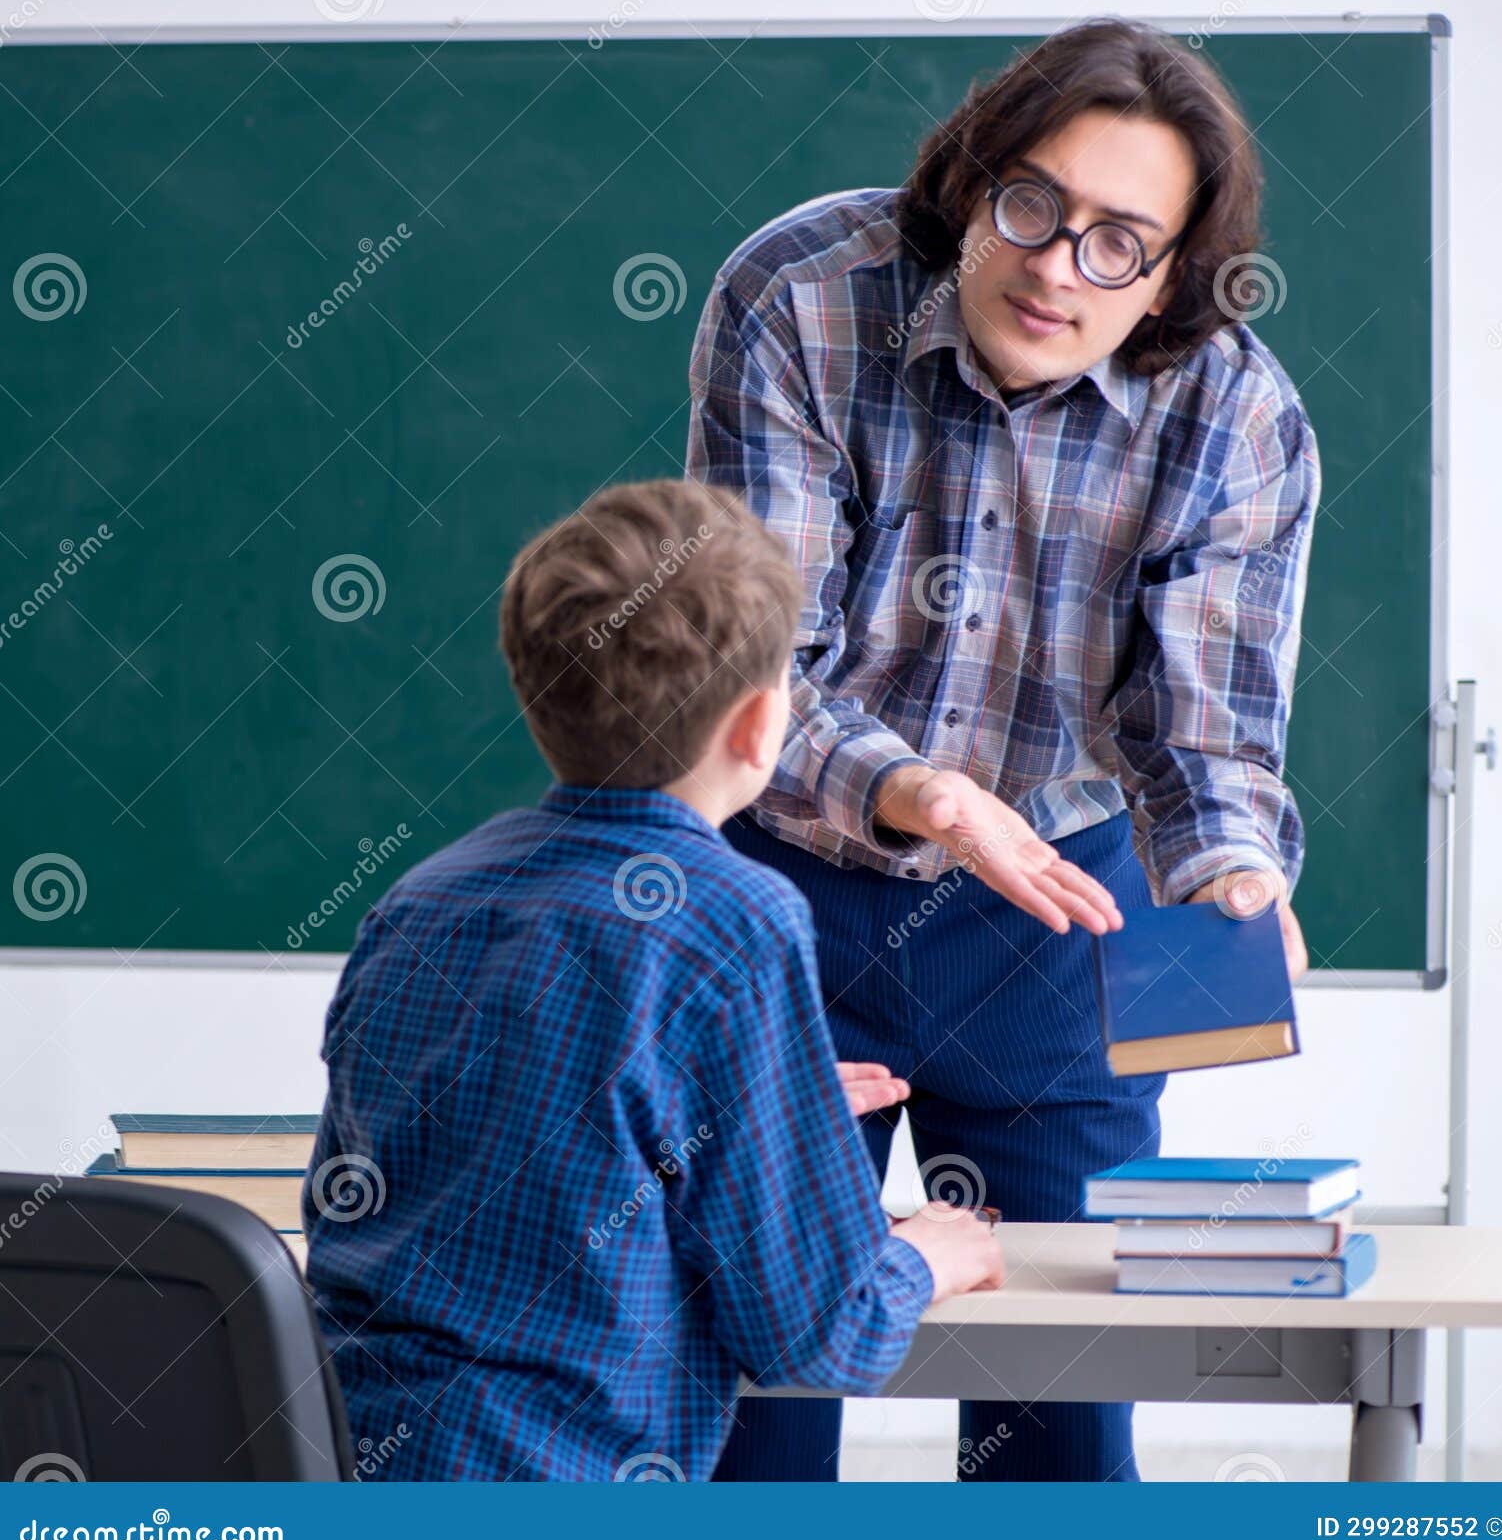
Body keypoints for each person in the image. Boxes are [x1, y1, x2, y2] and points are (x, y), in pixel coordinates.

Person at [686, 16, 1320, 1482]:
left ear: (1173, 272)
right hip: (783, 898)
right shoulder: (802, 293)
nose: (1054, 267)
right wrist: (925, 794)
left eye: (1120, 242)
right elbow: (756, 662)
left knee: (1059, 1422)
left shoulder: (1237, 413)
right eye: (1031, 205)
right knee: (755, 1405)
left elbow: (1205, 731)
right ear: (973, 181)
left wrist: (1234, 870)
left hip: (1059, 913)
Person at [302, 476, 1004, 1482]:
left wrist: (745, 1117)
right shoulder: (732, 921)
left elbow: (365, 1204)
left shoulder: (421, 898)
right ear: (764, 728)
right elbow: (817, 1337)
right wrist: (928, 1255)